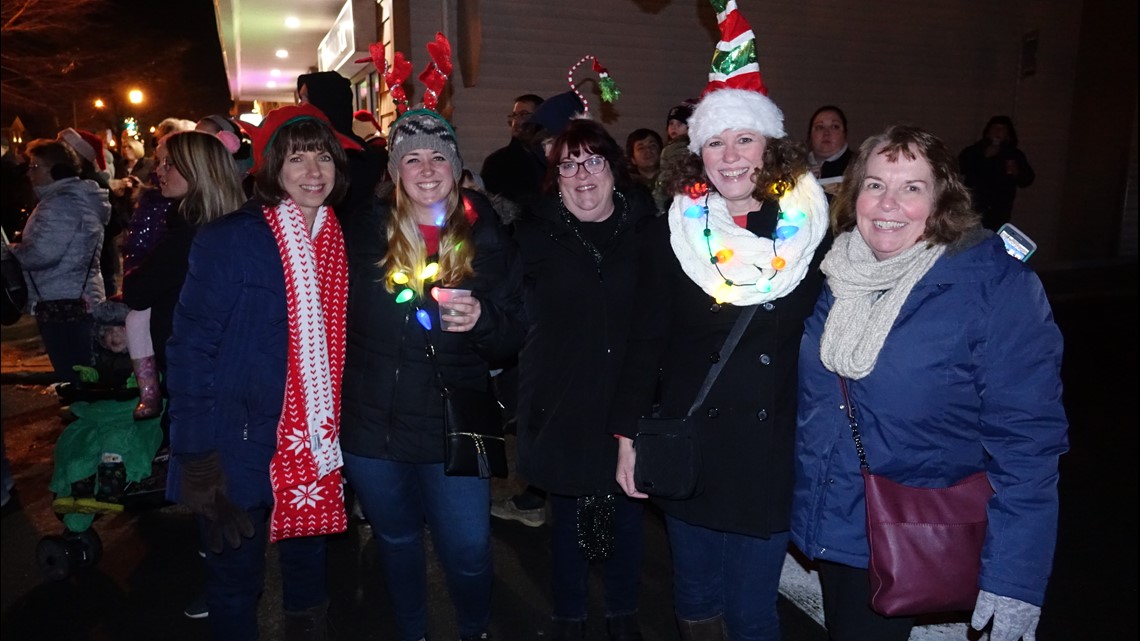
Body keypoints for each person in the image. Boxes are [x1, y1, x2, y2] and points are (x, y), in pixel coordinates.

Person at [791, 123, 1067, 641]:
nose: (888, 203)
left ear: (943, 199)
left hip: (916, 527)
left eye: (911, 188)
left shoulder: (995, 286)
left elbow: (1028, 443)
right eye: (875, 185)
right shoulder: (840, 274)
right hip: (838, 525)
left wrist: (1014, 577)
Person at [611, 4, 831, 640]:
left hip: (767, 454)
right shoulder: (670, 235)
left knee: (754, 610)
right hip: (691, 443)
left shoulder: (812, 237)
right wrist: (628, 436)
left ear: (770, 146)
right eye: (716, 141)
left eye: (744, 139)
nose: (730, 156)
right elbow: (644, 339)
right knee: (696, 594)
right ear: (697, 152)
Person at [164, 103, 358, 640]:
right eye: (297, 158)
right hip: (238, 443)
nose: (314, 171)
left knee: (308, 579)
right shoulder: (232, 238)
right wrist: (198, 454)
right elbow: (189, 348)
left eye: (324, 156)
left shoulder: (341, 243)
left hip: (312, 445)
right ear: (271, 168)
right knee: (234, 585)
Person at [339, 107, 524, 641]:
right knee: (396, 542)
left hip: (458, 418)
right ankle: (412, 631)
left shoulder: (488, 235)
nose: (426, 168)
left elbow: (516, 331)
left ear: (457, 167)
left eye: (438, 156)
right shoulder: (363, 235)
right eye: (411, 158)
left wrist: (484, 320)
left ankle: (474, 629)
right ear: (394, 170)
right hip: (374, 424)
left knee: (469, 549)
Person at [512, 118, 656, 641]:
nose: (582, 174)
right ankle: (568, 614)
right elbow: (508, 311)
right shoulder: (531, 233)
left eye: (593, 160)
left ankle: (623, 612)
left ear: (613, 169)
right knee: (569, 512)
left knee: (628, 508)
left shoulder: (647, 229)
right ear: (557, 176)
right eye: (569, 164)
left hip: (630, 391)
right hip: (560, 394)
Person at [11, 139, 110, 383]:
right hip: (74, 296)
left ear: (56, 170)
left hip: (64, 301)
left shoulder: (60, 204)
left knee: (75, 375)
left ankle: (84, 418)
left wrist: (12, 250)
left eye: (35, 167)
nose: (30, 174)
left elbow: (42, 254)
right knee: (83, 373)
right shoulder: (71, 199)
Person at [957, 115, 1035, 231]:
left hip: (999, 211)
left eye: (1002, 129)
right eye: (995, 128)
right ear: (988, 132)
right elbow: (959, 168)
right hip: (973, 208)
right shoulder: (974, 150)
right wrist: (984, 156)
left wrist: (1016, 171)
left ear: (1008, 135)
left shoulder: (1014, 154)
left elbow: (1027, 179)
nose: (998, 132)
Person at [480, 93, 546, 205]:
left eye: (523, 115)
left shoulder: (552, 158)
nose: (516, 121)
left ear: (540, 118)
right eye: (514, 115)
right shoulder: (496, 162)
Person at [805, 105, 852, 195]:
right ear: (810, 135)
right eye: (820, 127)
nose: (826, 133)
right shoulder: (794, 168)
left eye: (834, 127)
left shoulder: (859, 167)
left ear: (845, 133)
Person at [625, 128, 663, 194]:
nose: (648, 150)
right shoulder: (626, 185)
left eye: (653, 145)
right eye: (641, 148)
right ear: (633, 159)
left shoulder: (673, 180)